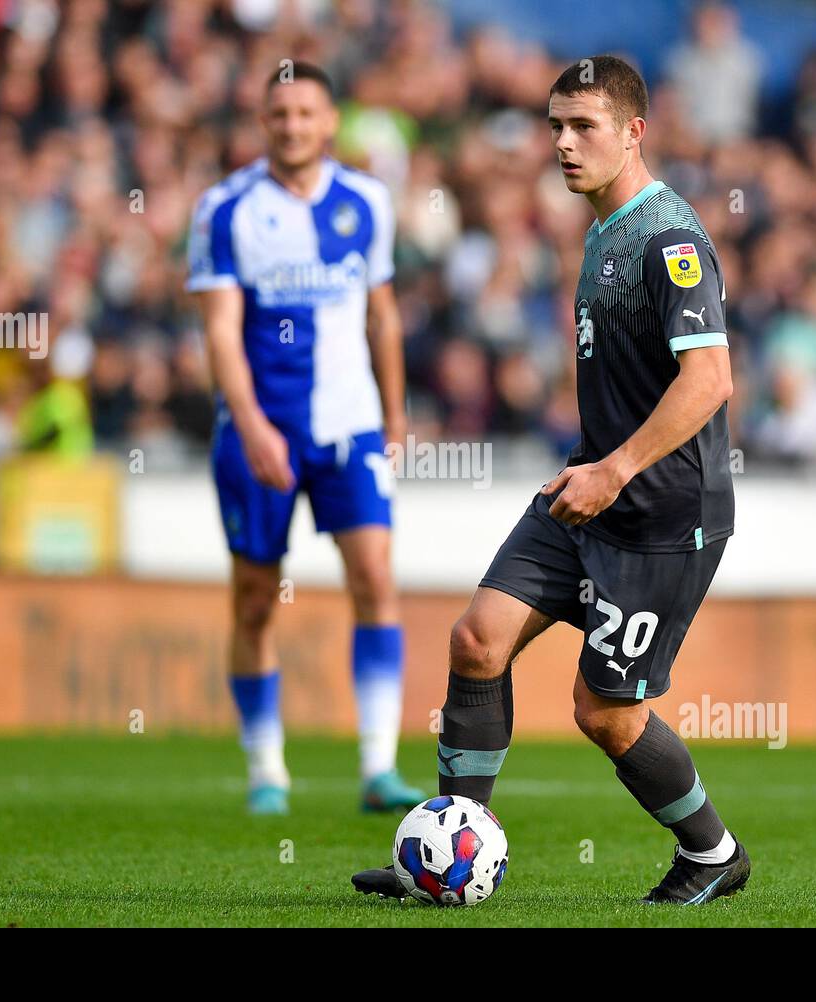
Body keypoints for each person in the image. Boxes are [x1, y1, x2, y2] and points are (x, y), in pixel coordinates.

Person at [352, 55, 749, 904]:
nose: (563, 145)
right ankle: (447, 849)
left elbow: (709, 380)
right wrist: (594, 461)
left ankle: (713, 853)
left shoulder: (668, 238)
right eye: (555, 128)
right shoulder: (602, 227)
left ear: (634, 132)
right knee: (475, 640)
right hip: (589, 492)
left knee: (604, 715)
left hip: (662, 515)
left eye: (584, 128)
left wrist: (617, 465)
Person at [187, 62, 424, 816]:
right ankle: (266, 770)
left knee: (376, 579)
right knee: (255, 599)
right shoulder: (225, 210)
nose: (292, 125)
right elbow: (221, 332)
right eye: (279, 113)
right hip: (263, 432)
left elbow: (381, 313)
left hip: (349, 424)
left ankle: (379, 768)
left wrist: (394, 413)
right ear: (264, 122)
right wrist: (253, 424)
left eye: (306, 113)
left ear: (330, 123)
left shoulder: (366, 201)